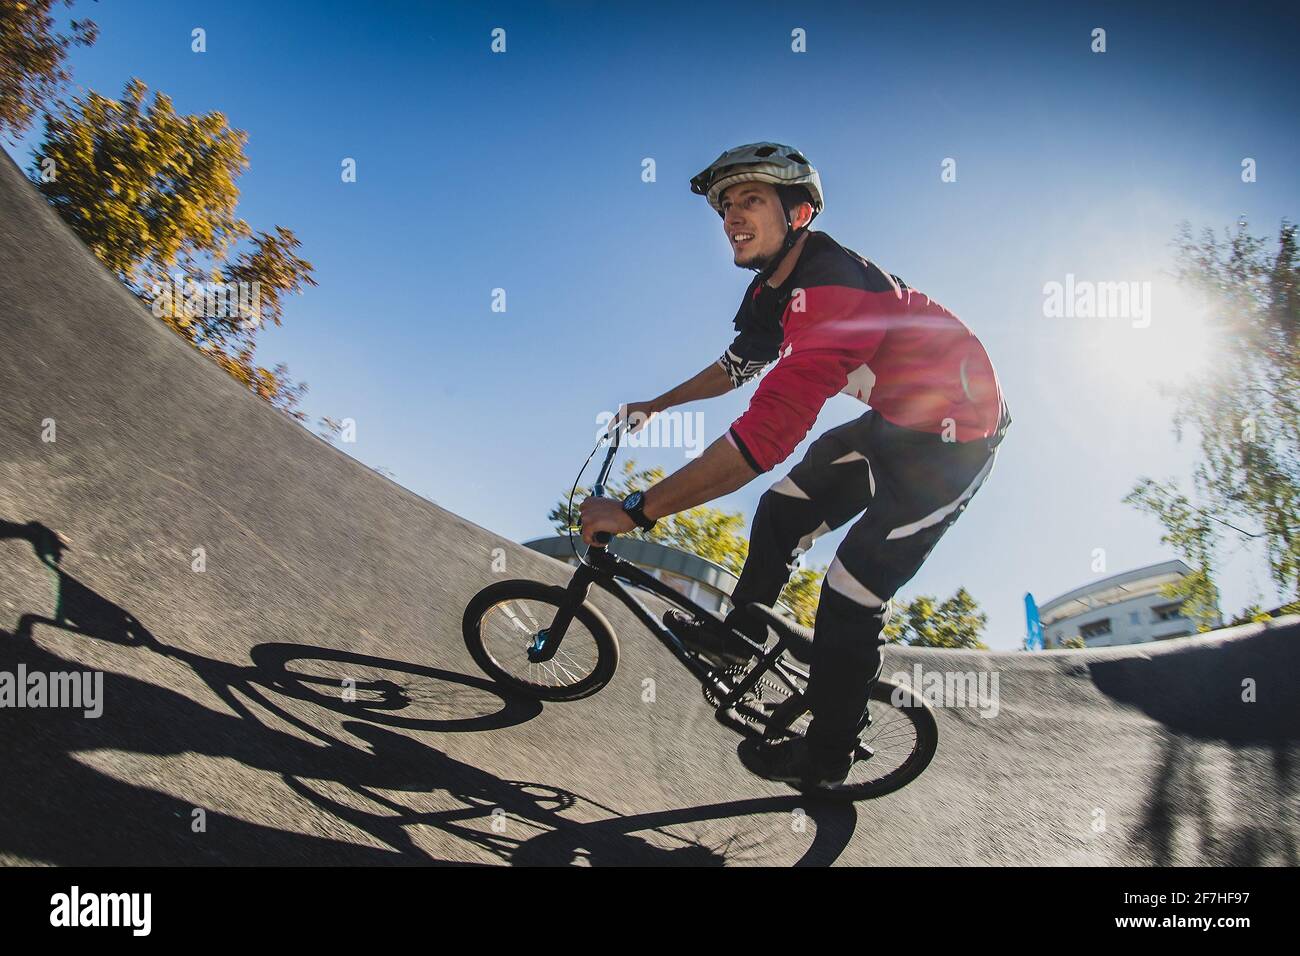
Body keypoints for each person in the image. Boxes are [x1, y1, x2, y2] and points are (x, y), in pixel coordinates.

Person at [578, 142, 1009, 787]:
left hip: (955, 445)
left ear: (799, 213)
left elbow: (764, 437)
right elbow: (736, 369)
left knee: (849, 593)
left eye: (750, 200)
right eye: (726, 206)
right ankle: (740, 631)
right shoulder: (772, 293)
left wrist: (636, 511)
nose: (730, 216)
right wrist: (655, 405)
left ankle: (829, 753)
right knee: (783, 508)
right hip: (894, 424)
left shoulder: (836, 287)